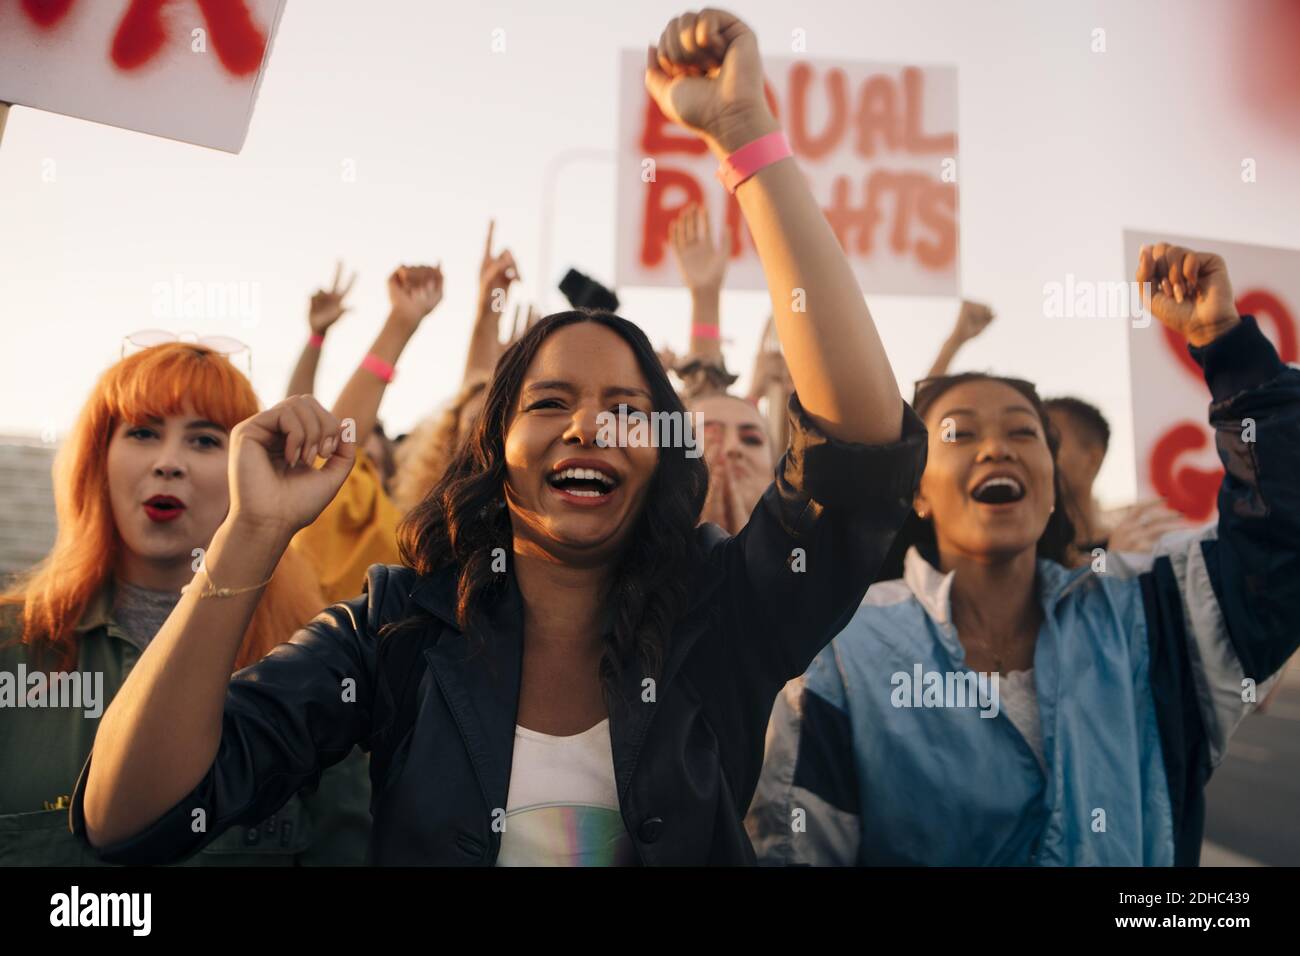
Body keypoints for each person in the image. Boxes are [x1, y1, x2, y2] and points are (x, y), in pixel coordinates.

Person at [70, 9, 926, 866]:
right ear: (494, 456)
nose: (588, 425)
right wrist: (248, 536)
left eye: (626, 409)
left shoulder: (722, 610)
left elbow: (856, 456)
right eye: (549, 403)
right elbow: (131, 816)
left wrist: (746, 137)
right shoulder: (396, 631)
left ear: (665, 452)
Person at [747, 242, 1300, 866]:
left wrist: (1226, 344)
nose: (995, 449)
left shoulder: (1154, 614)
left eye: (1022, 431)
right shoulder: (844, 654)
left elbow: (1283, 537)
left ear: (1051, 477)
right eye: (959, 433)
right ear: (918, 492)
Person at [0, 341, 371, 865]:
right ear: (96, 459)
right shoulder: (9, 645)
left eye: (203, 440)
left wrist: (256, 531)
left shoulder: (315, 665)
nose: (168, 463)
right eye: (143, 431)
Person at [287, 263, 443, 603]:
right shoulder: (323, 493)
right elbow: (303, 422)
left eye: (375, 434)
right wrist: (399, 323)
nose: (359, 443)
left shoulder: (411, 519)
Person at [1044, 396, 1187, 556]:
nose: (1039, 456)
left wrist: (1113, 561)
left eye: (1051, 443)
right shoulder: (1025, 547)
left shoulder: (1125, 547)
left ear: (1092, 460)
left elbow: (1097, 569)